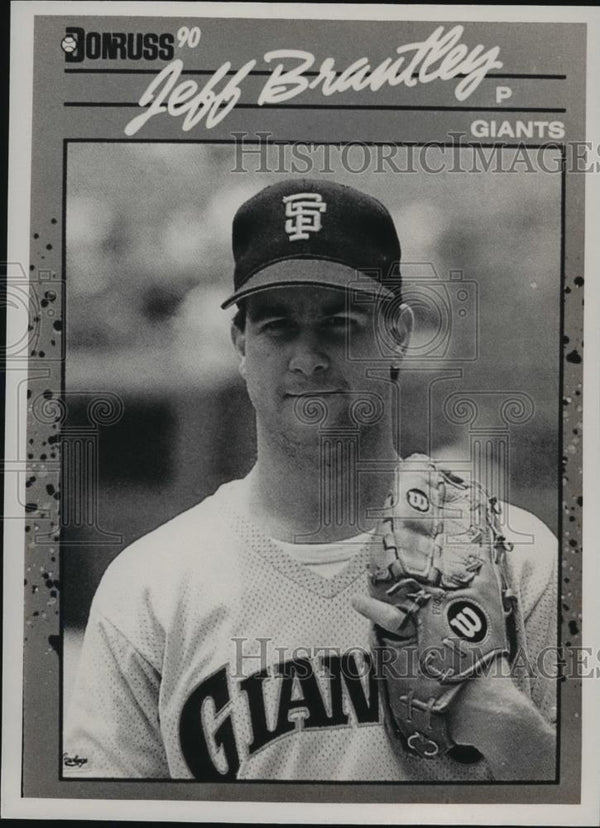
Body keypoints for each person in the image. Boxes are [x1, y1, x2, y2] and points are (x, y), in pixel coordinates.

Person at [64, 179, 557, 781]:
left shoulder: (520, 562)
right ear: (241, 343)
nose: (307, 357)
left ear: (397, 333)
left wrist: (508, 725)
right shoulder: (149, 589)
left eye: (340, 322)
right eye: (278, 326)